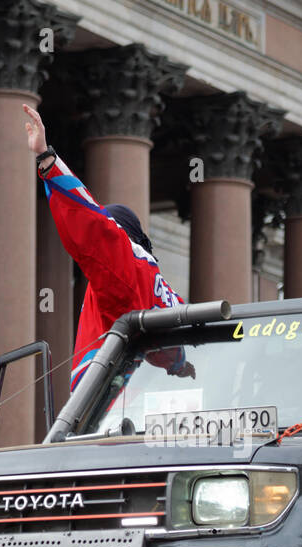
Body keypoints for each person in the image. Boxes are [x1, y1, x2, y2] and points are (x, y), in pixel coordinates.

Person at [24, 104, 192, 391]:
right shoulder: (164, 290)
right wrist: (179, 366)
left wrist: (47, 160)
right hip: (134, 401)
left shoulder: (124, 265)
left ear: (121, 236)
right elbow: (169, 347)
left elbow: (92, 225)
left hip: (105, 405)